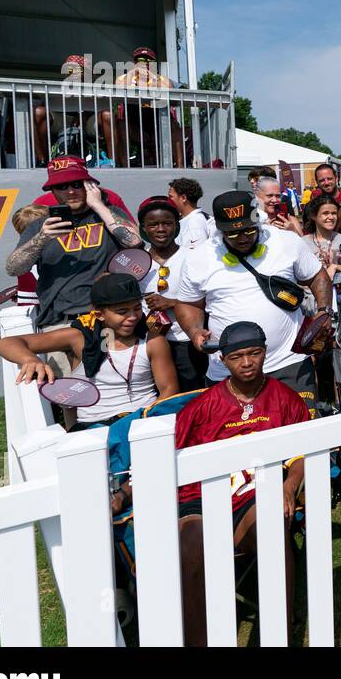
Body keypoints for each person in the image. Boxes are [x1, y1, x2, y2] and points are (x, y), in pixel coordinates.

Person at [173, 321, 309, 646]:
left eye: (254, 354)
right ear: (222, 359)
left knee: (271, 529)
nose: (246, 363)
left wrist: (288, 487)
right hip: (203, 494)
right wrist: (125, 493)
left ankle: (277, 636)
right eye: (236, 357)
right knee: (191, 545)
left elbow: (305, 452)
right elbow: (166, 457)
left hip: (255, 493)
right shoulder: (202, 407)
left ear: (265, 352)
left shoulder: (285, 399)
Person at [171, 190, 330, 409]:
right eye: (233, 234)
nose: (243, 238)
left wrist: (324, 311)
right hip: (228, 372)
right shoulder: (199, 257)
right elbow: (187, 303)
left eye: (248, 230)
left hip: (289, 363)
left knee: (301, 431)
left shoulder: (286, 242)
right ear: (219, 230)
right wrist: (195, 331)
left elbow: (317, 276)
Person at [0, 273, 177, 430]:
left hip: (144, 420)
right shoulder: (79, 338)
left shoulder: (153, 341)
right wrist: (29, 359)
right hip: (93, 425)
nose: (132, 317)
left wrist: (145, 424)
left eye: (137, 309)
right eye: (122, 312)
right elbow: (5, 344)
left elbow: (168, 390)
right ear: (99, 314)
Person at [5, 156, 143, 335]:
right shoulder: (40, 226)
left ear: (89, 185)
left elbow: (135, 241)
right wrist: (41, 238)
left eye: (77, 184)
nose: (70, 191)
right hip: (60, 324)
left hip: (105, 321)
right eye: (62, 187)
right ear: (52, 192)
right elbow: (13, 268)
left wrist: (98, 205)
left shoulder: (109, 214)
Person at [136, 196, 208, 392]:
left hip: (186, 342)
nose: (161, 229)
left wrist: (173, 303)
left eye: (167, 223)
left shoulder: (193, 256)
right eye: (153, 224)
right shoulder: (136, 262)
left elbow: (208, 300)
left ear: (176, 226)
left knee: (192, 394)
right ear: (144, 228)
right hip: (151, 342)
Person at [300, 195, 341, 409]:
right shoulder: (303, 243)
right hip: (313, 306)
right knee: (316, 355)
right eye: (325, 213)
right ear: (314, 216)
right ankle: (319, 403)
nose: (330, 217)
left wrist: (336, 267)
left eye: (334, 213)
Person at [167, 178, 208, 249]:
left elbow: (194, 256)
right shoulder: (185, 219)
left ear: (183, 198)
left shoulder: (195, 224)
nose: (168, 200)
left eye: (171, 197)